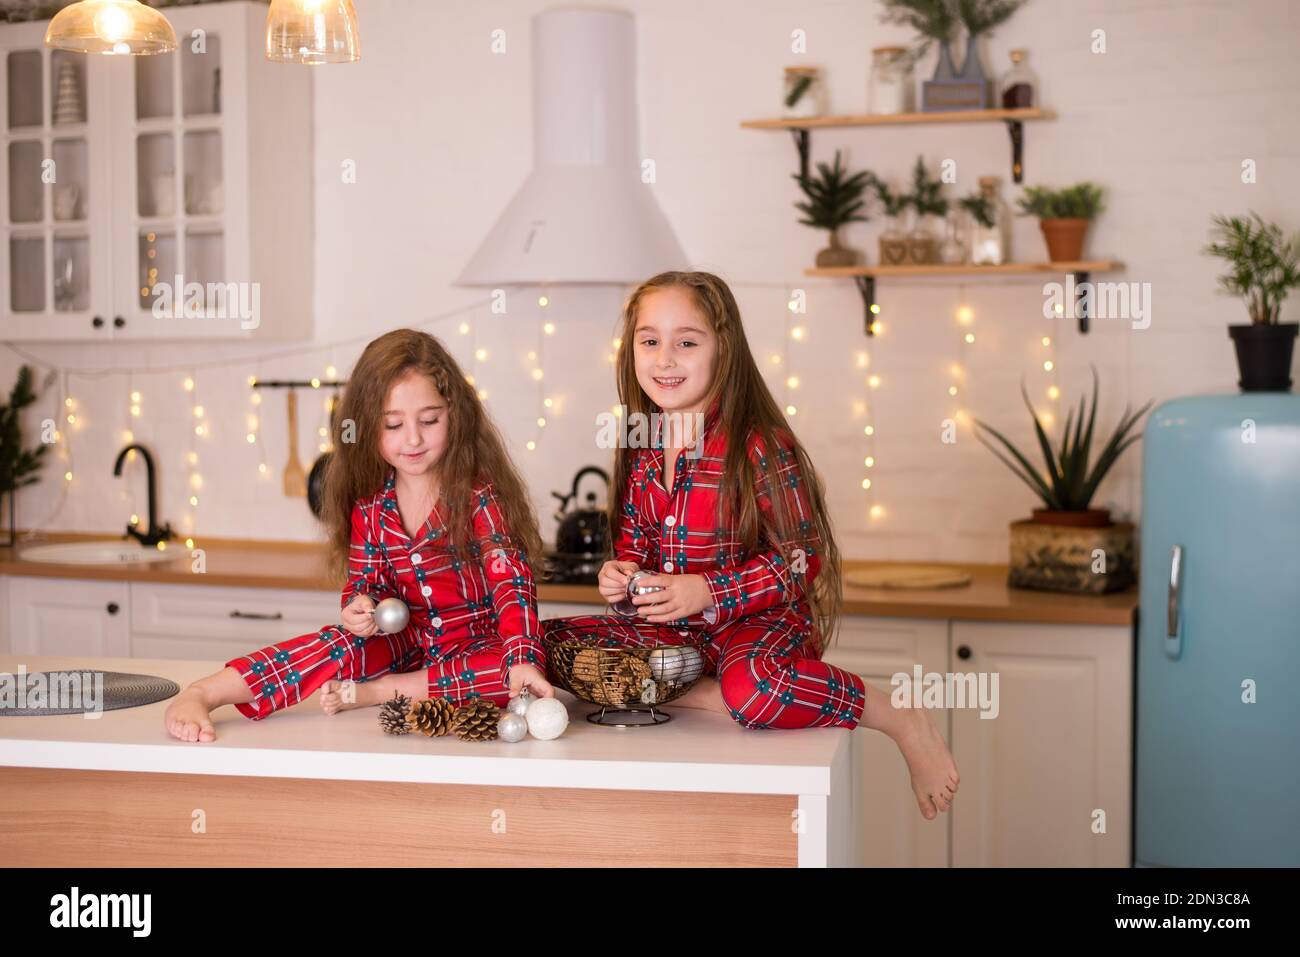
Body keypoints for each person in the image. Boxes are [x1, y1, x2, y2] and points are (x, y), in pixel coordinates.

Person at [541, 271, 959, 819]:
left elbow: (803, 560)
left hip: (758, 623)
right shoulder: (641, 447)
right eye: (650, 341)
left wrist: (707, 590)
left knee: (755, 687)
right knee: (543, 647)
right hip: (675, 632)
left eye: (686, 342)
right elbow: (634, 551)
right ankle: (709, 687)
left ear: (724, 350)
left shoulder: (759, 444)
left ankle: (897, 716)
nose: (665, 358)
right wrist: (619, 579)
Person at [163, 329, 552, 743]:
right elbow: (366, 582)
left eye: (429, 420)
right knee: (334, 646)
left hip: (475, 648)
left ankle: (375, 693)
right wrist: (359, 606)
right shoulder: (370, 506)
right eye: (393, 424)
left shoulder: (477, 495)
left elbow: (510, 582)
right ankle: (203, 692)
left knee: (508, 670)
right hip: (405, 644)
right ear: (369, 427)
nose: (413, 438)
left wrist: (524, 656)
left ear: (454, 413)